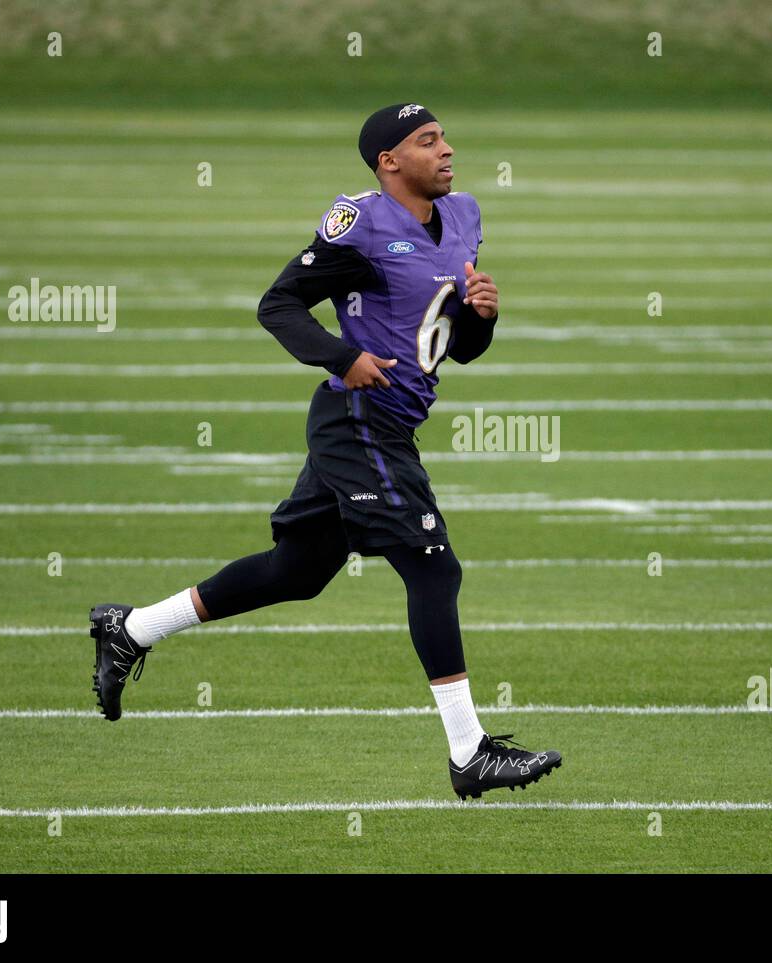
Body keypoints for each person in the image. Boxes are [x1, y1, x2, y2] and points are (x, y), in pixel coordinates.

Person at [87, 103, 561, 801]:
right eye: (428, 141)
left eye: (444, 137)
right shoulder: (363, 224)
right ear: (388, 162)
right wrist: (345, 356)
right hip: (356, 417)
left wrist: (483, 318)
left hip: (392, 419)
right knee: (432, 565)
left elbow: (451, 345)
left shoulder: (463, 216)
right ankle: (470, 753)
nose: (448, 150)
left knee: (297, 570)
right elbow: (278, 304)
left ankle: (131, 628)